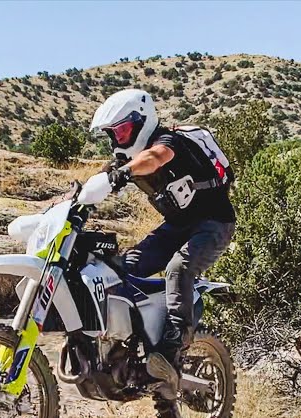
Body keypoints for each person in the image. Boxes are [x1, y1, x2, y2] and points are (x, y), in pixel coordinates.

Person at [88, 88, 236, 399]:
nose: (118, 141)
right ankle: (129, 343)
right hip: (177, 227)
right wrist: (70, 203)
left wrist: (124, 173)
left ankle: (171, 348)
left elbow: (155, 158)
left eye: (124, 131)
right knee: (120, 266)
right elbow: (95, 186)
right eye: (113, 134)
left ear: (143, 122)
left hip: (214, 224)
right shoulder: (124, 159)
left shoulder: (168, 141)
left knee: (178, 268)